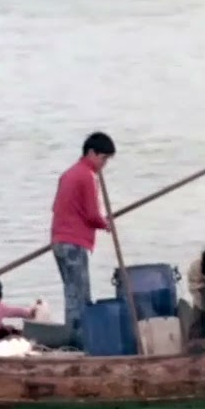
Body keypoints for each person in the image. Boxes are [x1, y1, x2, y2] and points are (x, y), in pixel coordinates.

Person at [50, 132, 115, 346]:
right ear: (91, 153)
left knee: (71, 291)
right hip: (74, 243)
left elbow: (57, 207)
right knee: (79, 296)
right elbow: (91, 214)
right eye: (103, 158)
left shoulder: (68, 174)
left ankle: (76, 338)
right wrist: (106, 224)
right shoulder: (86, 176)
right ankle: (78, 342)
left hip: (59, 241)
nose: (103, 164)